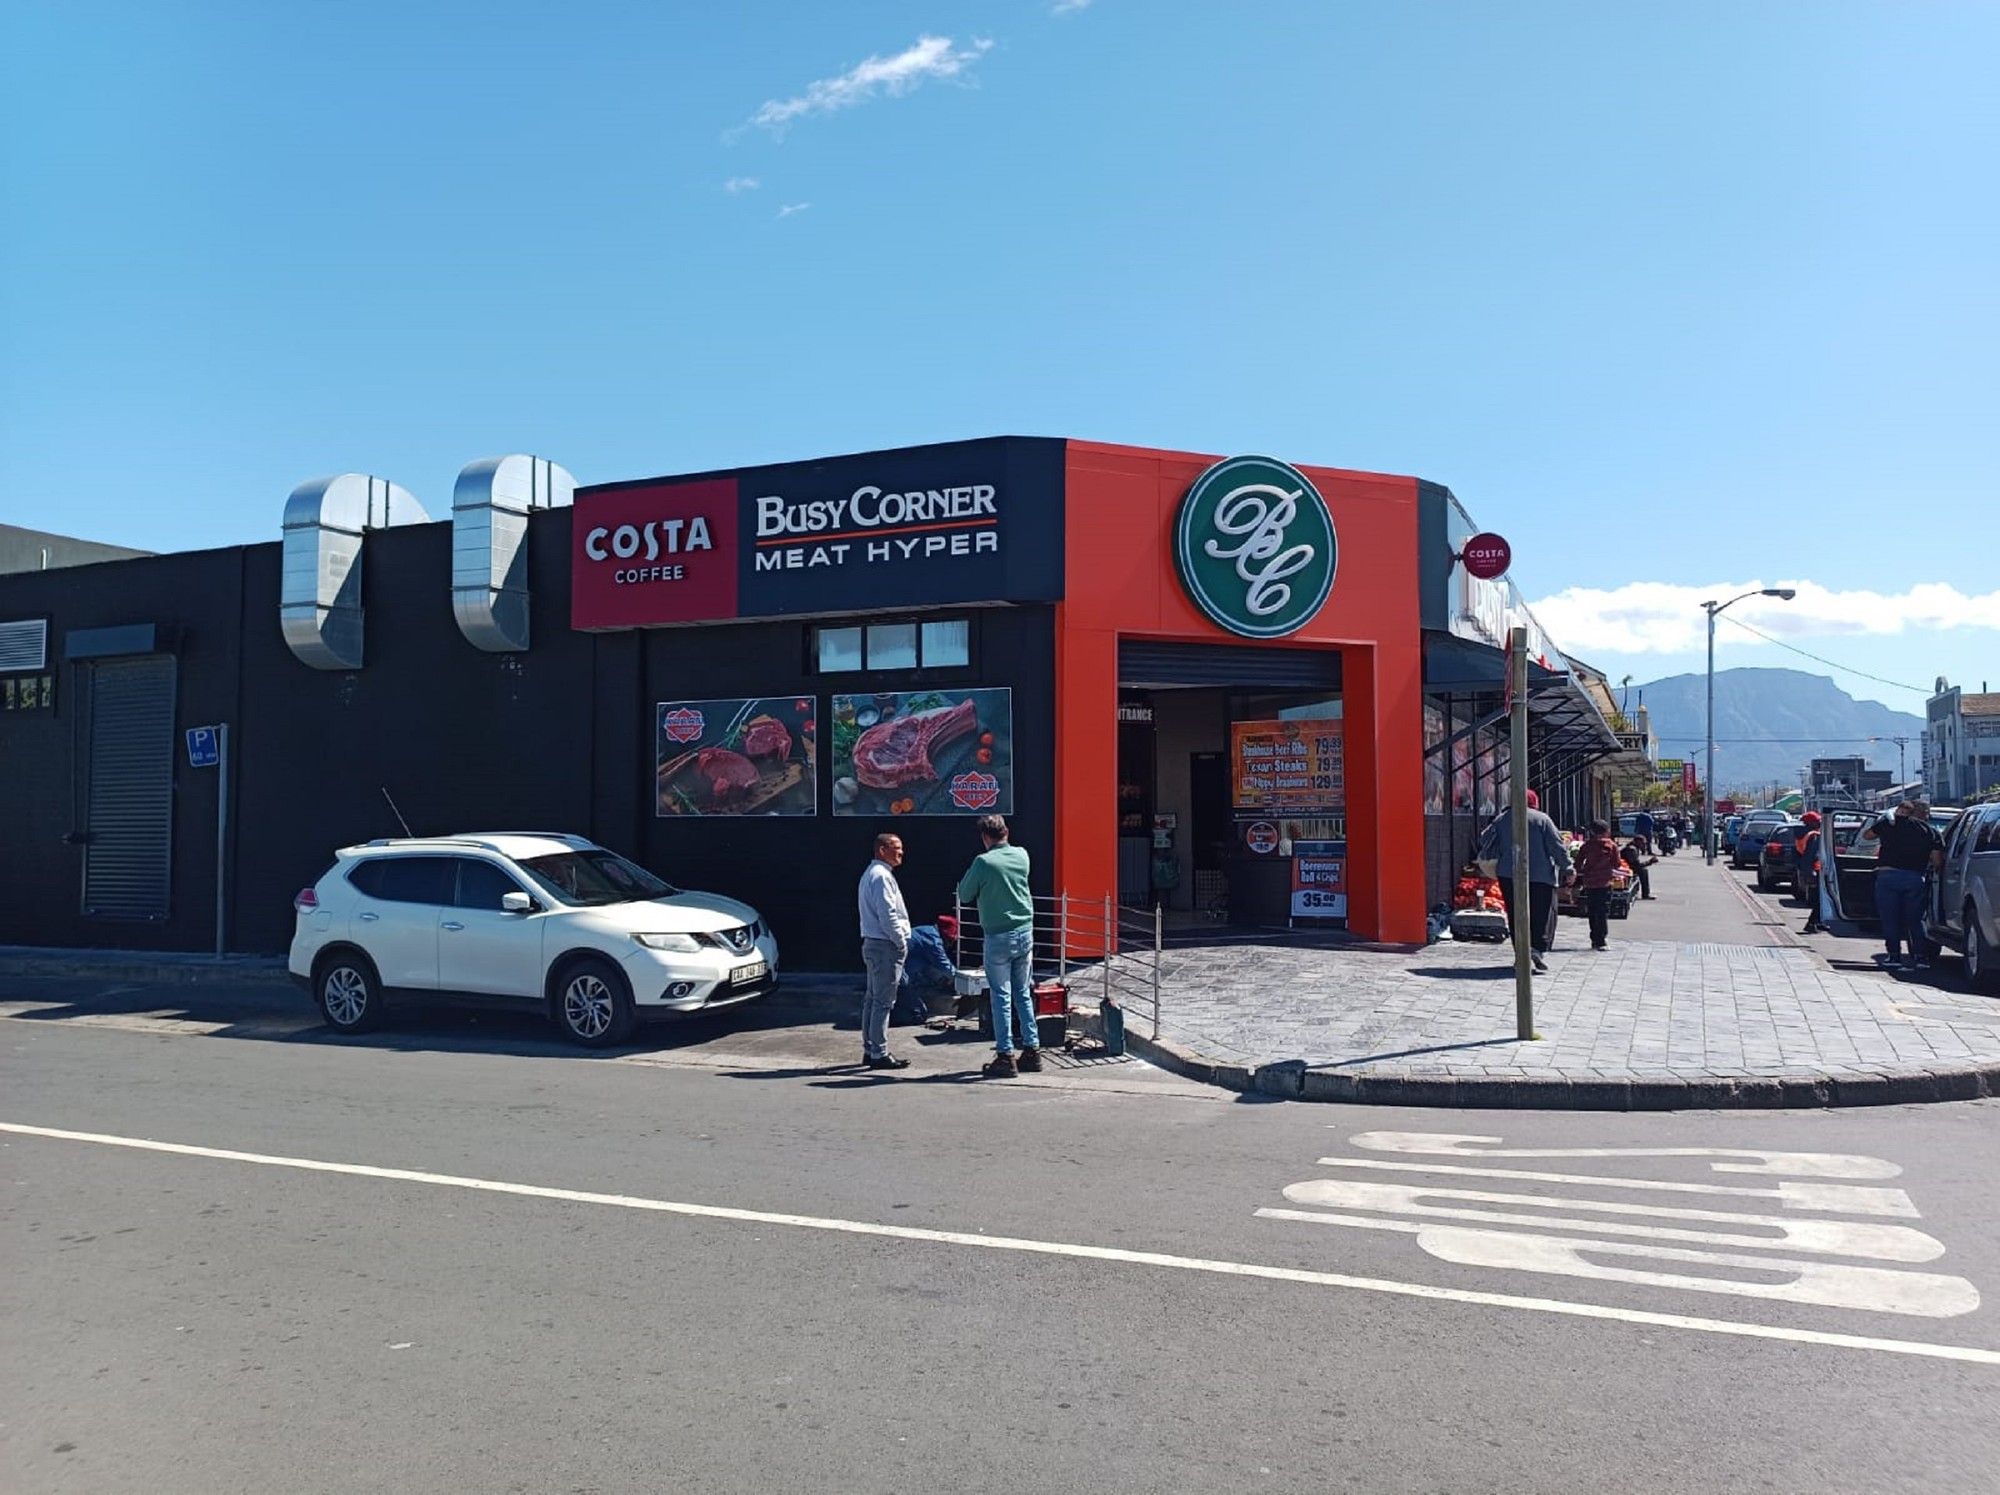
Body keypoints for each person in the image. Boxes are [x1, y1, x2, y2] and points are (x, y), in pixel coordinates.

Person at [956, 814, 1040, 1078]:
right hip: (1025, 931)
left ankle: (1005, 1055)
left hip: (998, 936)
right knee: (1022, 992)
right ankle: (1032, 1050)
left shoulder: (983, 862)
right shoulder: (1022, 855)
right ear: (1007, 832)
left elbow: (964, 894)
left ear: (985, 837)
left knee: (1000, 995)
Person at [1475, 789, 1572, 973]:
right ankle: (1536, 948)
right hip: (1540, 876)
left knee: (1516, 915)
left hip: (1509, 874)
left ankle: (1520, 953)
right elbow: (1556, 846)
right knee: (1541, 914)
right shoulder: (1542, 819)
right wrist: (1568, 868)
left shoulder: (1501, 819)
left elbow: (1485, 840)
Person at [1861, 800, 1942, 970]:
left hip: (1888, 877)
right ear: (1925, 815)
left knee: (1890, 919)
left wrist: (1889, 819)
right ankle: (1921, 958)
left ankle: (1894, 957)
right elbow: (1936, 861)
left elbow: (1867, 836)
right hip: (1914, 878)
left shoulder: (1889, 824)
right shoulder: (1931, 831)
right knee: (1915, 920)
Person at [856, 832, 912, 1069]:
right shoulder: (881, 877)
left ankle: (870, 1049)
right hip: (884, 945)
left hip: (874, 943)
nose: (901, 852)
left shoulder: (873, 873)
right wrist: (900, 942)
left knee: (873, 999)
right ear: (882, 850)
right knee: (883, 1002)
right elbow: (888, 914)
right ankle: (879, 1053)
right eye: (896, 848)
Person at [1572, 819, 1624, 952]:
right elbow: (1617, 864)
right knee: (1602, 911)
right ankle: (1601, 940)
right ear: (1607, 831)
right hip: (1604, 882)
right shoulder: (1611, 845)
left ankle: (1594, 938)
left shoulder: (1587, 845)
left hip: (1590, 883)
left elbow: (1578, 863)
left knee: (1592, 910)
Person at [1794, 811, 1824, 935]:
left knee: (1819, 899)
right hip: (1815, 870)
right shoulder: (1813, 836)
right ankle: (1811, 923)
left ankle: (1818, 922)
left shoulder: (1802, 834)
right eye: (1818, 821)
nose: (1820, 823)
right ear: (1811, 823)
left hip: (1810, 870)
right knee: (1820, 899)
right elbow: (1810, 855)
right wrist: (1811, 873)